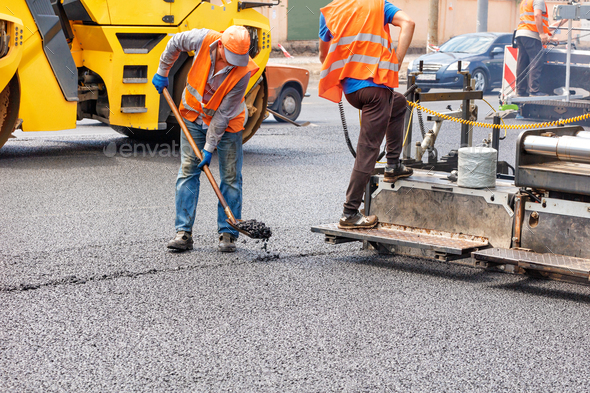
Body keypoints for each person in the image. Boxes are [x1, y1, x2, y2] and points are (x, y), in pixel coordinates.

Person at [152, 26, 258, 252]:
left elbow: (222, 116)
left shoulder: (243, 71)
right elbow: (175, 43)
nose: (233, 64)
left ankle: (228, 233)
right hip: (192, 117)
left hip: (227, 125)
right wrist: (163, 71)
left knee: (230, 177)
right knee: (188, 170)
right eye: (230, 57)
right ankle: (183, 233)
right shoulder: (203, 39)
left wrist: (209, 148)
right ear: (221, 45)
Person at [318, 0, 415, 229]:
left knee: (399, 102)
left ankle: (393, 164)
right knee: (368, 149)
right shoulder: (378, 5)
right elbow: (408, 23)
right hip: (376, 90)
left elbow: (324, 56)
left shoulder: (329, 11)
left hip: (353, 91)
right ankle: (349, 213)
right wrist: (397, 62)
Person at [514, 0, 554, 96]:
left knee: (522, 63)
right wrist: (541, 34)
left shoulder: (525, 1)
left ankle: (520, 90)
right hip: (531, 34)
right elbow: (537, 15)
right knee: (536, 61)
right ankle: (534, 91)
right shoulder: (538, 0)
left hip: (521, 33)